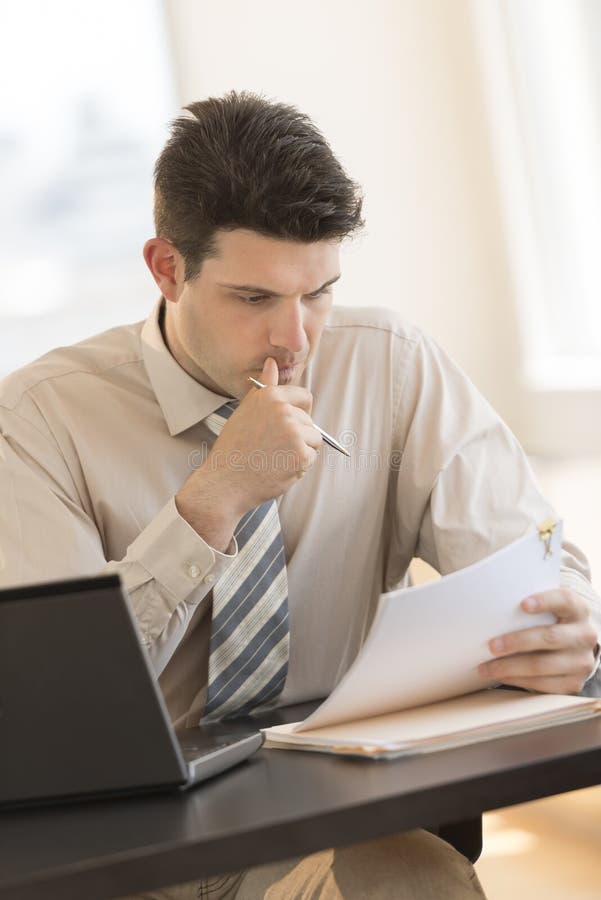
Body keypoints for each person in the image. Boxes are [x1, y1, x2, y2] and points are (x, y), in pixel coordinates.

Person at [0, 91, 599, 899]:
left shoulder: (390, 363)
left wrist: (559, 614)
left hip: (340, 810)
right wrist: (210, 505)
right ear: (167, 268)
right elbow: (58, 706)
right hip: (126, 852)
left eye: (317, 291)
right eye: (254, 299)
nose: (296, 338)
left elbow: (527, 560)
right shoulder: (38, 419)